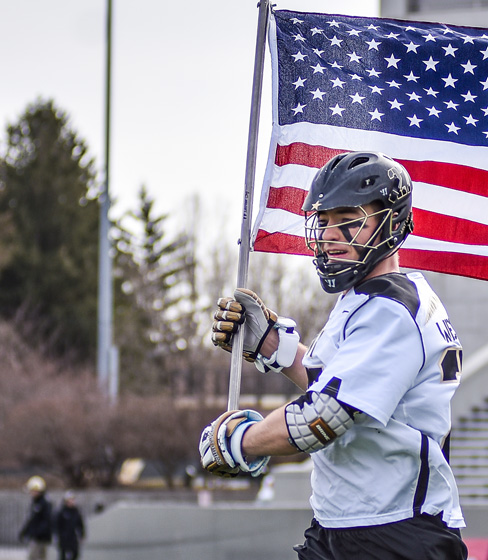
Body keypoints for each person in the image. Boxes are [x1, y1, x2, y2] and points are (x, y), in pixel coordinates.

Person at [198, 151, 467, 559]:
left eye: (348, 220)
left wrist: (240, 442)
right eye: (323, 221)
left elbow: (323, 417)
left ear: (391, 224)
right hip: (344, 526)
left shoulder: (390, 310)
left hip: (396, 533)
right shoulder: (367, 299)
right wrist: (273, 345)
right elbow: (338, 385)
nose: (330, 234)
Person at [17, 476, 52, 560]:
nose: (31, 493)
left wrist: (37, 532)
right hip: (36, 537)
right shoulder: (35, 503)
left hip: (41, 538)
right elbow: (31, 520)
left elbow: (47, 521)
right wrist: (24, 532)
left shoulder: (45, 504)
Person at [54, 491, 85, 560]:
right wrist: (58, 535)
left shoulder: (76, 511)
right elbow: (57, 525)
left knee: (75, 553)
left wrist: (82, 534)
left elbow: (80, 524)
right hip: (63, 537)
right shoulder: (62, 511)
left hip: (73, 537)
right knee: (62, 555)